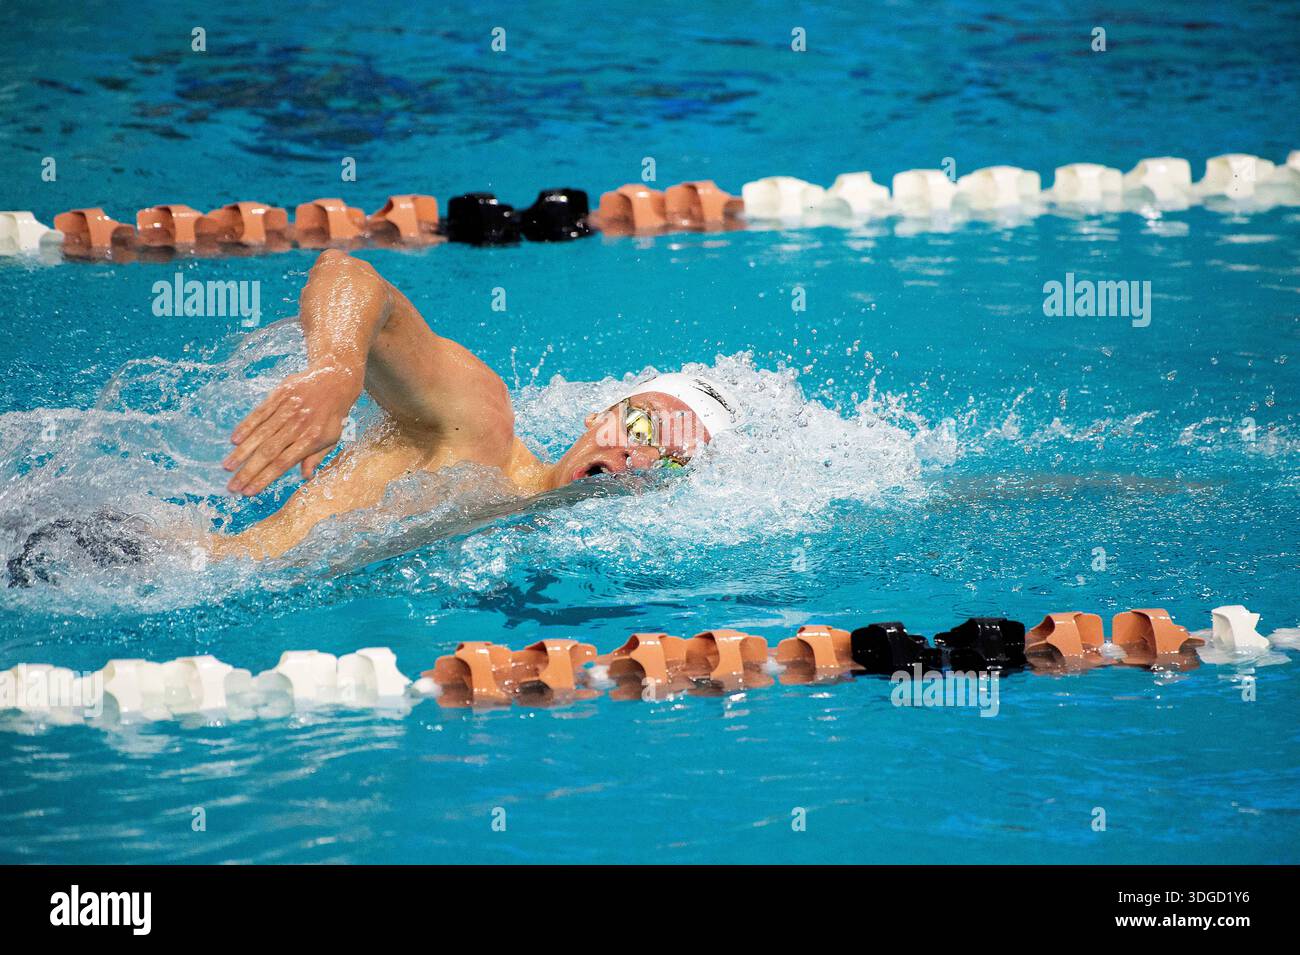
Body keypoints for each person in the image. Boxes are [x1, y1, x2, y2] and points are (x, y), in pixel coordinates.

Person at [208, 250, 740, 559]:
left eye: (671, 459)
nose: (638, 458)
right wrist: (337, 371)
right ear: (598, 416)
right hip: (150, 562)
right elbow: (347, 274)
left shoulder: (532, 545)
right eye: (643, 426)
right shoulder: (479, 426)